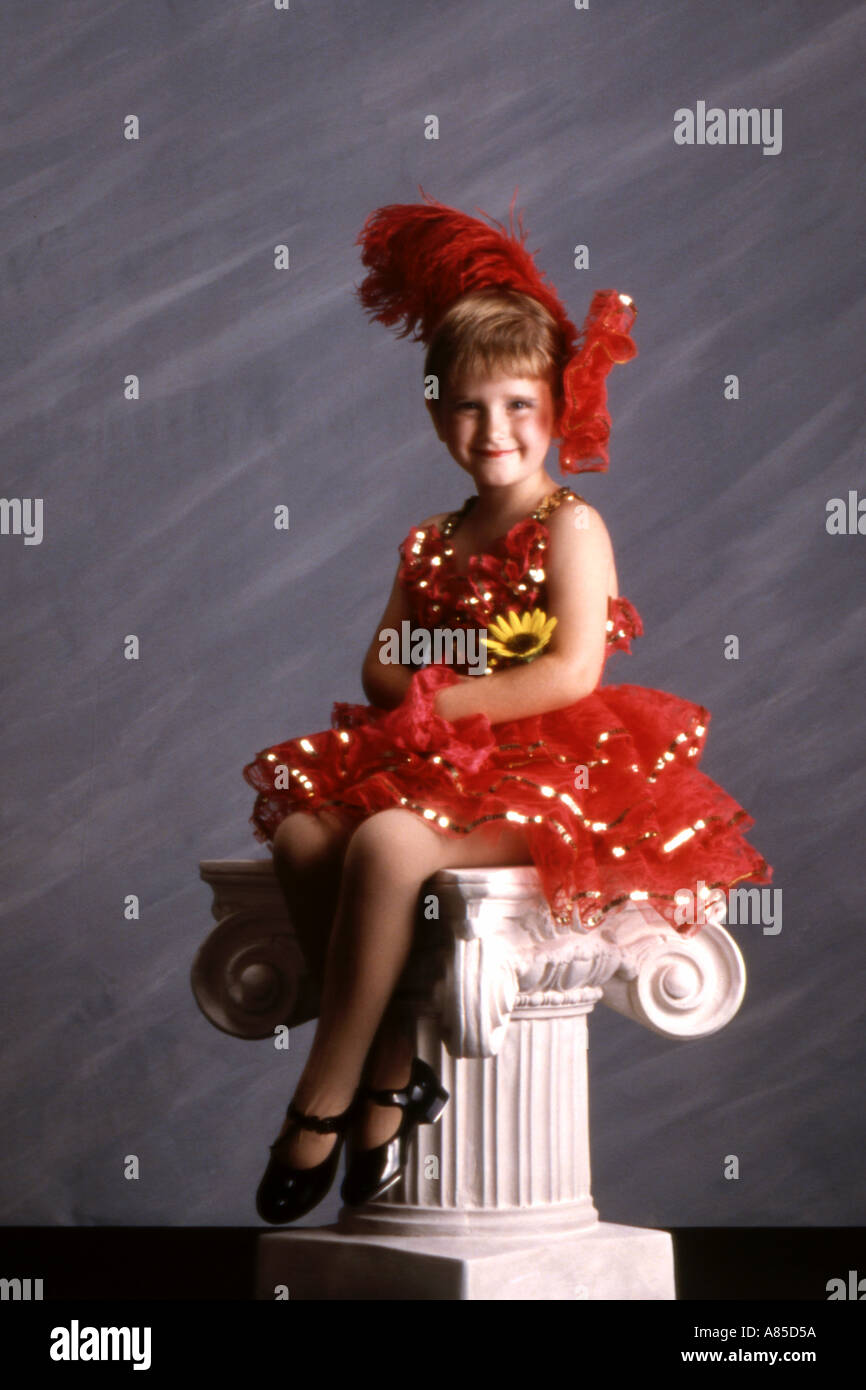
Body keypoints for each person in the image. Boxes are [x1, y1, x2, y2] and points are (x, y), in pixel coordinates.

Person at [242, 191, 773, 1225]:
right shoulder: (430, 542)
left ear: (556, 408)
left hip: (549, 771)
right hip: (445, 761)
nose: (493, 430)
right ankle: (393, 1056)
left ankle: (328, 1093)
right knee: (306, 833)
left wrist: (447, 700)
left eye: (518, 405)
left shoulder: (567, 525)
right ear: (438, 413)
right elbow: (383, 661)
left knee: (390, 847)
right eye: (469, 407)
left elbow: (571, 669)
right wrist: (428, 694)